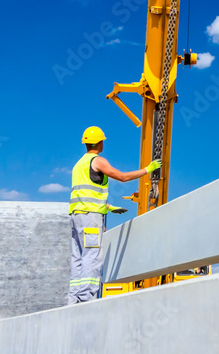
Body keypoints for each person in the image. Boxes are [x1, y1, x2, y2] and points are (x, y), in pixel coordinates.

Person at [68, 126, 160, 304]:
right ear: (100, 143)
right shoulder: (97, 161)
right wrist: (148, 170)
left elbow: (84, 194)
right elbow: (123, 177)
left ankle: (74, 299)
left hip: (76, 216)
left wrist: (108, 207)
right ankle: (87, 299)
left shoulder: (78, 165)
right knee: (92, 256)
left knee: (77, 257)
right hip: (90, 217)